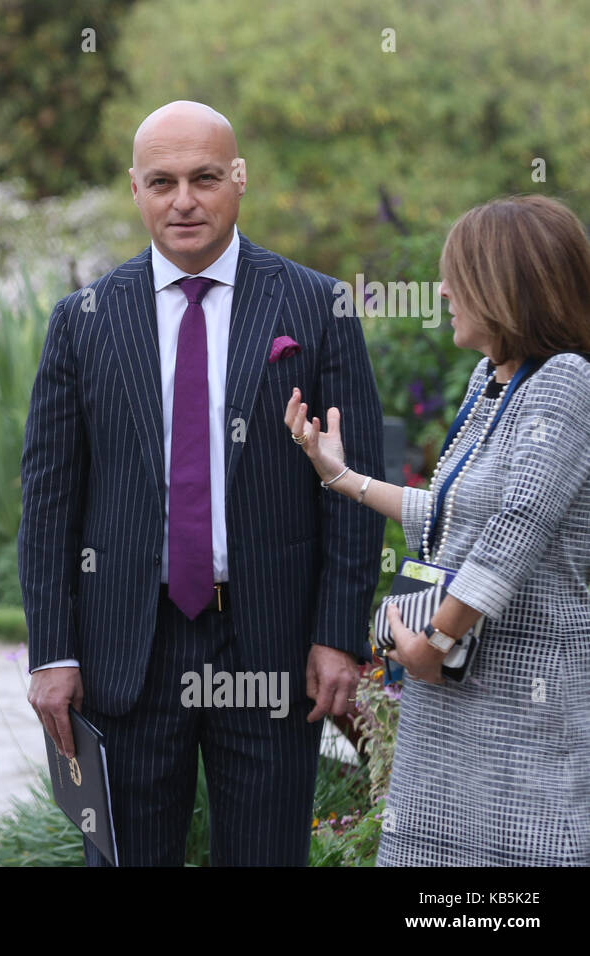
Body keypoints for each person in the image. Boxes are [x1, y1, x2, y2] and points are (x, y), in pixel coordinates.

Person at [19, 101, 386, 866]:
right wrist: (52, 650)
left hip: (271, 645)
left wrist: (337, 635)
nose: (183, 199)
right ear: (136, 190)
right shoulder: (83, 320)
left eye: (204, 178)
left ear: (239, 180)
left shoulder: (317, 309)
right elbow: (49, 500)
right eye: (162, 181)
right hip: (126, 649)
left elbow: (354, 490)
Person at [285, 194, 590, 865]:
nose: (445, 291)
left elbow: (517, 527)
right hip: (458, 692)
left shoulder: (564, 382)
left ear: (507, 286)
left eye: (460, 276)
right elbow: (458, 513)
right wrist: (340, 476)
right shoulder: (496, 379)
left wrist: (438, 636)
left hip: (524, 698)